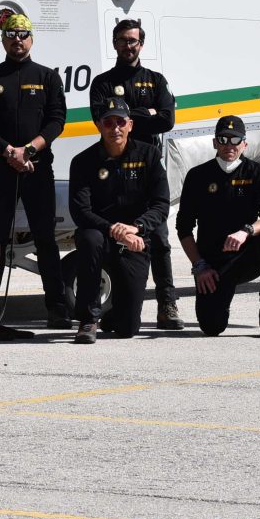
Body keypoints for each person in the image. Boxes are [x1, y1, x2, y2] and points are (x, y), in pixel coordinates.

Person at [0, 13, 70, 327]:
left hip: (36, 169)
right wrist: (8, 151)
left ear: (31, 39)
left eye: (23, 34)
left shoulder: (47, 77)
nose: (18, 40)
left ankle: (56, 307)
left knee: (45, 240)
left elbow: (57, 120)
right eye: (12, 34)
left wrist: (29, 149)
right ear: (3, 38)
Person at [89, 19, 181, 329]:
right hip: (113, 167)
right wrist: (147, 114)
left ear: (141, 44)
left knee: (160, 239)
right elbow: (100, 119)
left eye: (133, 41)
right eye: (122, 40)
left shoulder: (155, 80)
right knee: (109, 235)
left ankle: (167, 304)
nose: (128, 46)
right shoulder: (102, 82)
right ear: (114, 44)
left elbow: (167, 120)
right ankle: (107, 303)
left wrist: (129, 113)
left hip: (148, 164)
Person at [68, 97, 170, 342]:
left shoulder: (150, 156)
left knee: (127, 330)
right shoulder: (83, 161)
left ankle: (114, 316)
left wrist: (137, 227)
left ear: (130, 125)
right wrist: (113, 228)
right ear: (99, 125)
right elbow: (80, 211)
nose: (115, 128)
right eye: (108, 122)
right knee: (89, 238)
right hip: (100, 233)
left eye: (120, 122)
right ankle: (88, 319)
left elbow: (161, 204)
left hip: (134, 237)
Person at [176, 116, 260, 337]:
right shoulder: (197, 176)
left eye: (235, 140)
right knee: (211, 327)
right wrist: (199, 266)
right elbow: (184, 228)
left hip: (245, 255)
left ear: (244, 143)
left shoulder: (258, 173)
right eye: (223, 139)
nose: (229, 145)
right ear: (215, 143)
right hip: (213, 265)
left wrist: (247, 231)